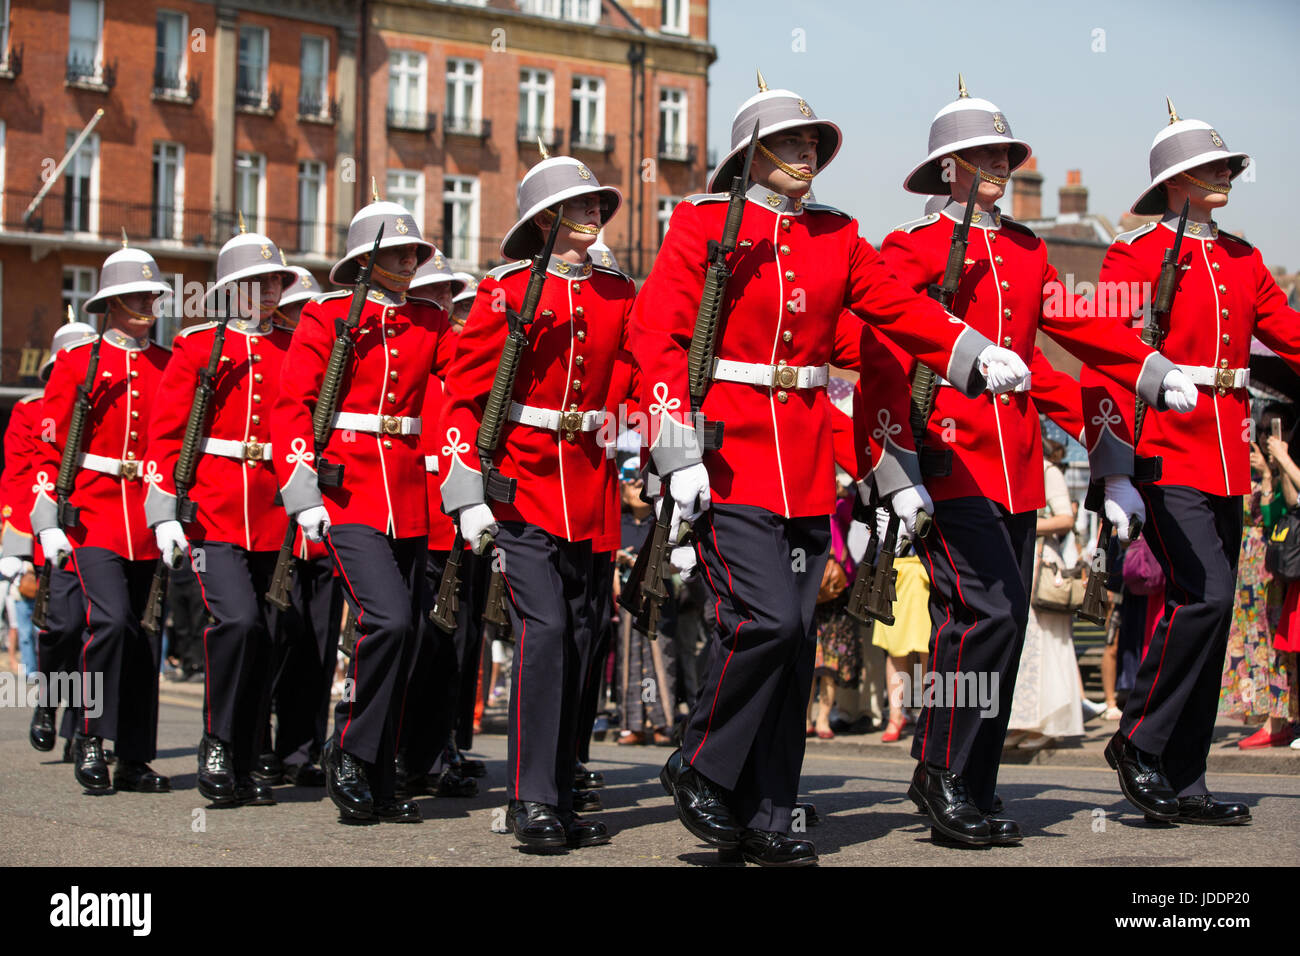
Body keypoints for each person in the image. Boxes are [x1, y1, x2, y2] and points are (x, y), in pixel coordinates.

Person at [636, 74, 1032, 867]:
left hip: (809, 463)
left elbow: (895, 311)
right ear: (752, 154)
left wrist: (969, 350)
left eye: (813, 142)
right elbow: (657, 335)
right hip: (729, 455)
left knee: (796, 642)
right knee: (766, 623)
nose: (807, 153)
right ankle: (701, 760)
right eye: (791, 142)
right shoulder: (704, 224)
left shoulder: (837, 235)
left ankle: (769, 813)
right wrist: (673, 446)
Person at [861, 79, 1197, 847]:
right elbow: (885, 356)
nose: (998, 166)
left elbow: (1069, 341)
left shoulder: (1025, 246)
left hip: (1011, 465)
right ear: (947, 167)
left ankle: (965, 776)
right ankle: (945, 770)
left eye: (1004, 154)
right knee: (989, 614)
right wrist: (893, 466)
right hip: (945, 458)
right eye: (981, 155)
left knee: (997, 628)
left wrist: (1144, 376)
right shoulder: (907, 249)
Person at [1082, 100, 1300, 825]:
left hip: (1226, 453)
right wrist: (1112, 466)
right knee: (1201, 596)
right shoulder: (1133, 255)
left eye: (1227, 165)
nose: (1225, 175)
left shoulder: (1242, 257)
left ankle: (1185, 775)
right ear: (1175, 179)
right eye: (1209, 167)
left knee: (1207, 616)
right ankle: (1140, 741)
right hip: (1165, 452)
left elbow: (1288, 338)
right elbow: (1104, 361)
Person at [438, 151, 632, 853]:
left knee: (584, 634)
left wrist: (665, 452)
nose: (595, 213)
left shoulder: (615, 292)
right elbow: (460, 398)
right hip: (520, 482)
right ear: (546, 218)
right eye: (580, 205)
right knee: (545, 629)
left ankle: (561, 778)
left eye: (597, 204)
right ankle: (531, 799)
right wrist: (466, 495)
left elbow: (636, 383)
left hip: (593, 483)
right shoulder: (505, 293)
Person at [272, 194, 459, 824]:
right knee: (390, 622)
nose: (411, 260)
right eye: (399, 251)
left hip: (407, 494)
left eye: (415, 251)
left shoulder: (429, 322)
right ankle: (349, 750)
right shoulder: (326, 319)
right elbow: (293, 405)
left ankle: (380, 771)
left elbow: (474, 369)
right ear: (367, 259)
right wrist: (302, 490)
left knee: (409, 636)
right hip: (345, 490)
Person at [145, 223, 296, 807]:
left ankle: (249, 752)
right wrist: (165, 513)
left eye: (273, 282)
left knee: (268, 635)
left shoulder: (292, 344)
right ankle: (216, 740)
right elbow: (167, 434)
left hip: (276, 510)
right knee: (238, 623)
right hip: (214, 511)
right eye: (254, 282)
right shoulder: (197, 346)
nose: (266, 292)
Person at [30, 242, 174, 794]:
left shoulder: (166, 363)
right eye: (136, 294)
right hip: (92, 512)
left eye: (152, 294)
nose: (147, 303)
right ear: (112, 302)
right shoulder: (77, 364)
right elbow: (49, 447)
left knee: (142, 634)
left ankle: (135, 755)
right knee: (110, 621)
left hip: (148, 512)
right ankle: (90, 736)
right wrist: (47, 520)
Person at [1, 322, 94, 756]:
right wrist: (18, 545)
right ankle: (48, 701)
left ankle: (80, 728)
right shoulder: (31, 412)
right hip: (51, 531)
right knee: (64, 627)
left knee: (97, 629)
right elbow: (19, 477)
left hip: (100, 526)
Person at [1006, 440, 1085, 749]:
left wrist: (1026, 525)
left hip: (1042, 562)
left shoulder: (1048, 471)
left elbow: (1066, 518)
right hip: (1017, 558)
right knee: (1022, 645)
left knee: (1045, 644)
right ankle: (1021, 720)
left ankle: (1045, 722)